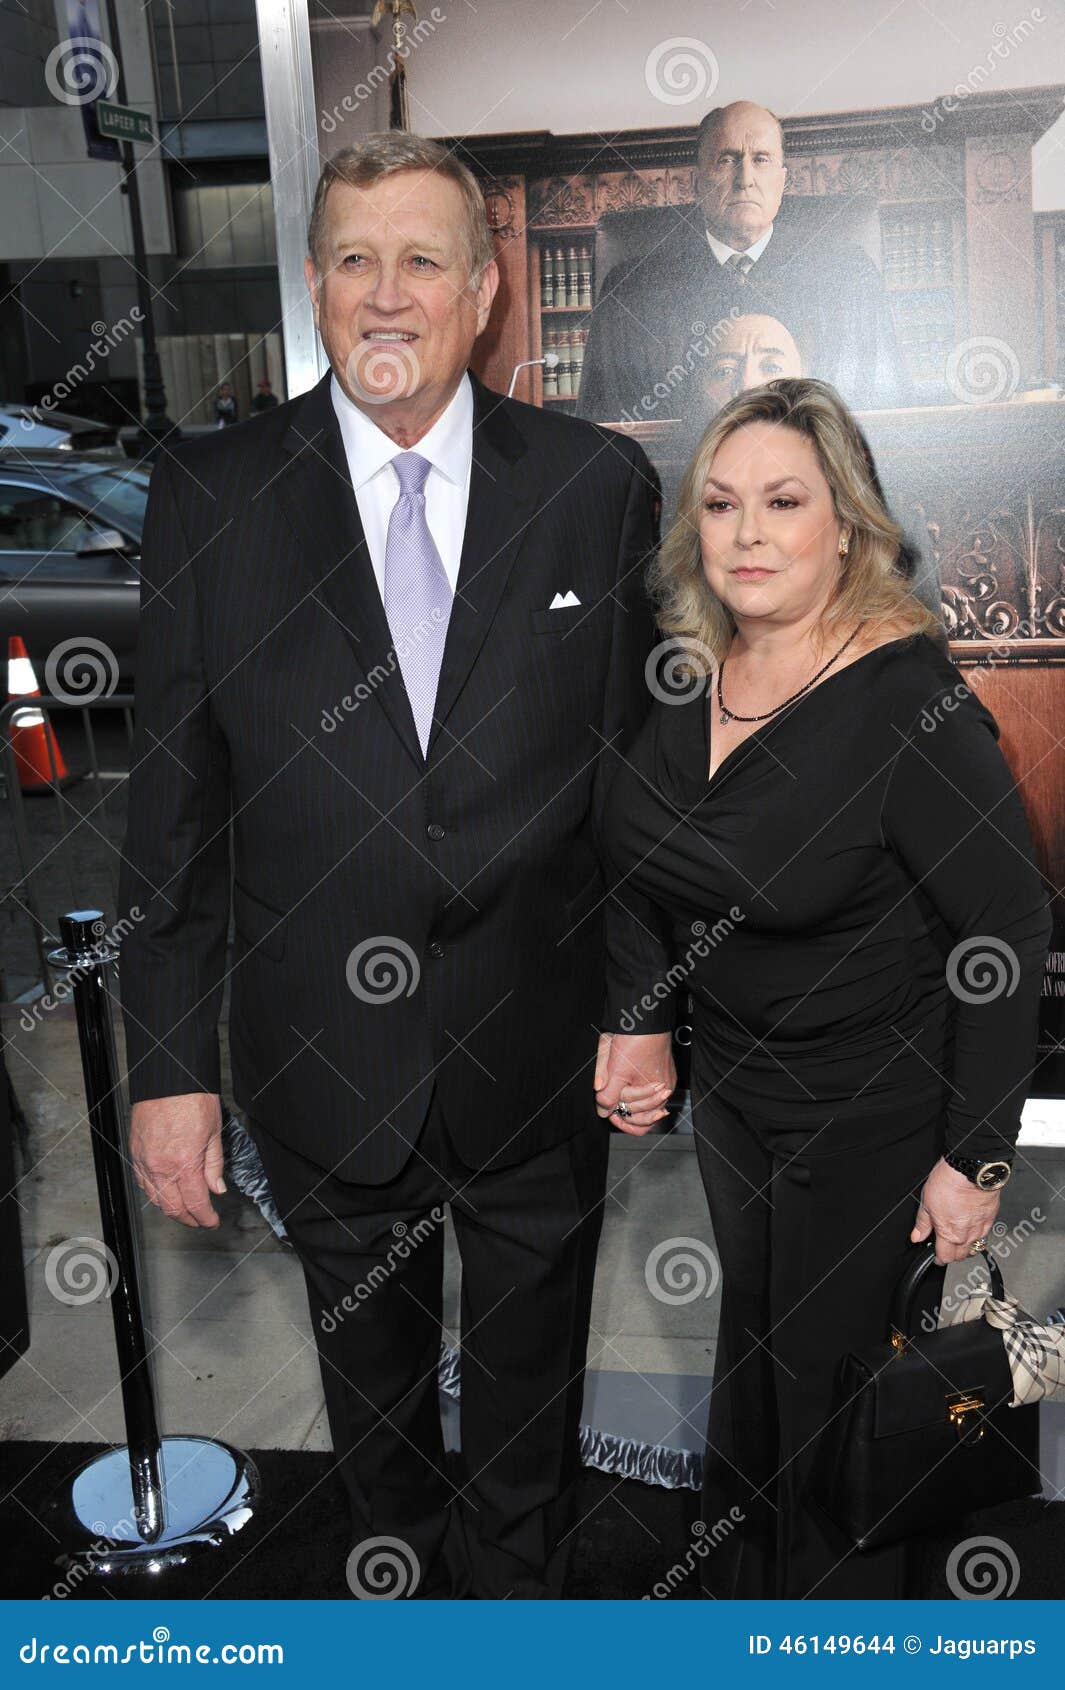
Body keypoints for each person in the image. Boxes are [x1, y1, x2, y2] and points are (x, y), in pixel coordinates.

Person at [117, 131, 676, 1600]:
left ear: (484, 292)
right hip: (317, 1052)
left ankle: (517, 1625)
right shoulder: (211, 493)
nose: (385, 293)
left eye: (422, 259)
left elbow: (632, 779)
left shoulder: (598, 487)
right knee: (372, 1431)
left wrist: (643, 1000)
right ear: (312, 284)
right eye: (354, 259)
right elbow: (168, 818)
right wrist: (167, 1068)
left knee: (528, 1424)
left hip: (536, 1048)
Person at [595, 376, 1051, 1599]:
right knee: (752, 1370)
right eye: (722, 503)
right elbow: (639, 854)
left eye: (783, 501)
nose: (746, 533)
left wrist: (977, 1157)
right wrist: (638, 1019)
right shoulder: (690, 673)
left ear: (845, 523)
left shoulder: (906, 695)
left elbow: (1006, 920)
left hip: (874, 1119)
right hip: (739, 1101)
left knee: (837, 1411)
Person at [577, 101, 911, 424]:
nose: (745, 178)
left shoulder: (849, 277)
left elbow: (887, 423)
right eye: (727, 160)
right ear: (696, 183)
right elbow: (605, 435)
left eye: (761, 159)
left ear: (782, 181)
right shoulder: (632, 291)